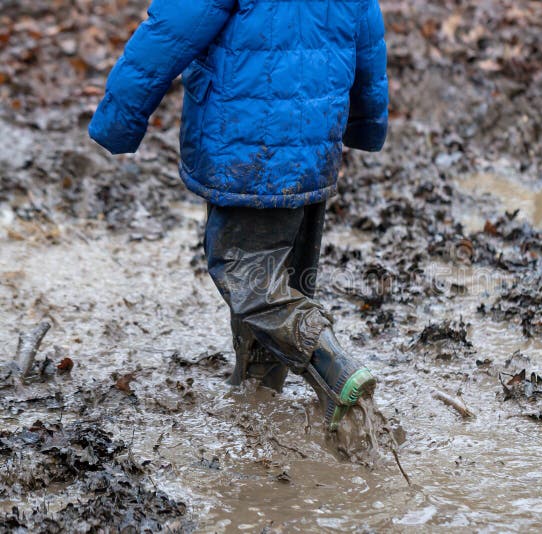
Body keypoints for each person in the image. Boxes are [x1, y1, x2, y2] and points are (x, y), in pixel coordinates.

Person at [88, 0, 389, 431]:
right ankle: (258, 405)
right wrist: (367, 125)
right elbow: (369, 46)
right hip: (315, 149)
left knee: (248, 277)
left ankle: (332, 364)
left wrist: (119, 119)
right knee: (282, 284)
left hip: (246, 148)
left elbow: (167, 36)